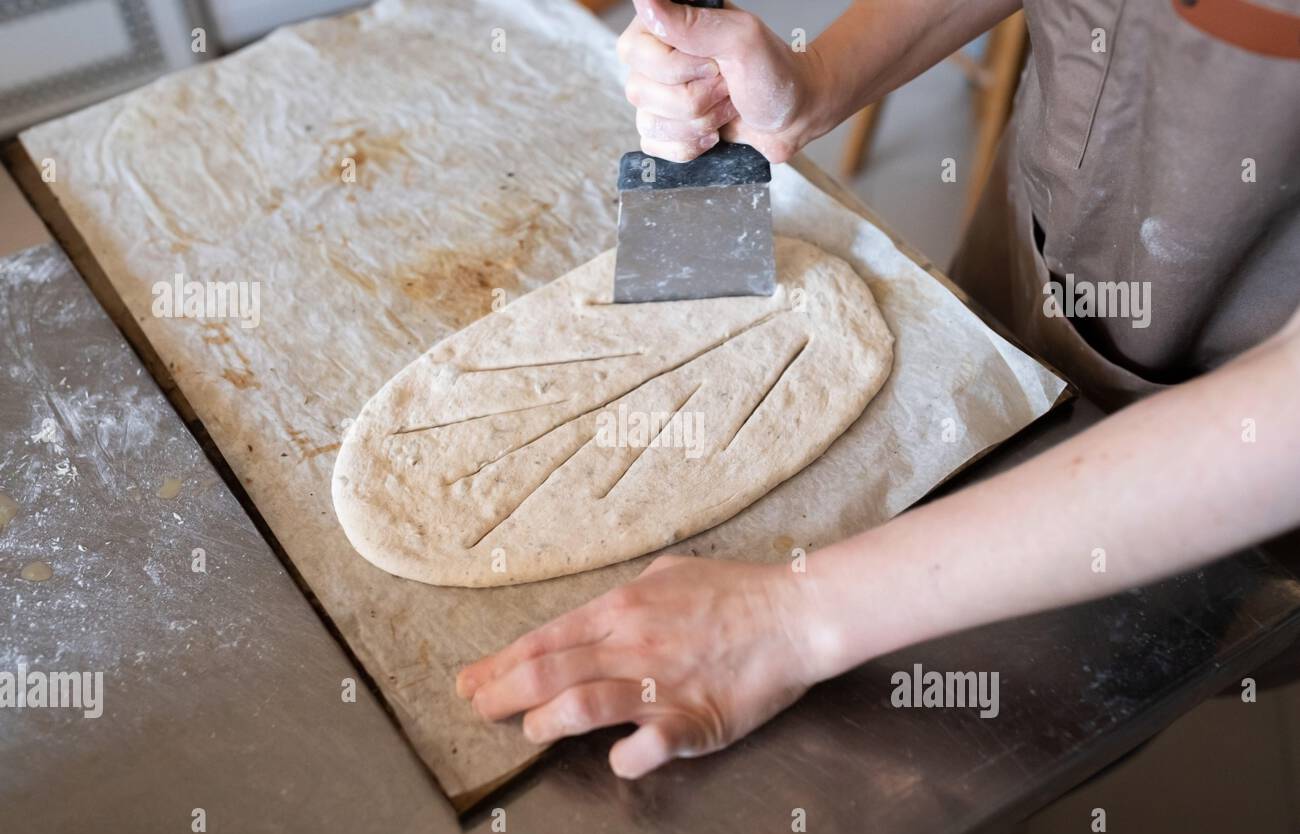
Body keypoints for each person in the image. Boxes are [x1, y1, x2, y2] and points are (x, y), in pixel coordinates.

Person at [457, 0, 1300, 780]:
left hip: (1239, 412)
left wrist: (795, 618)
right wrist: (820, 81)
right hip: (1046, 237)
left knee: (1046, 721)